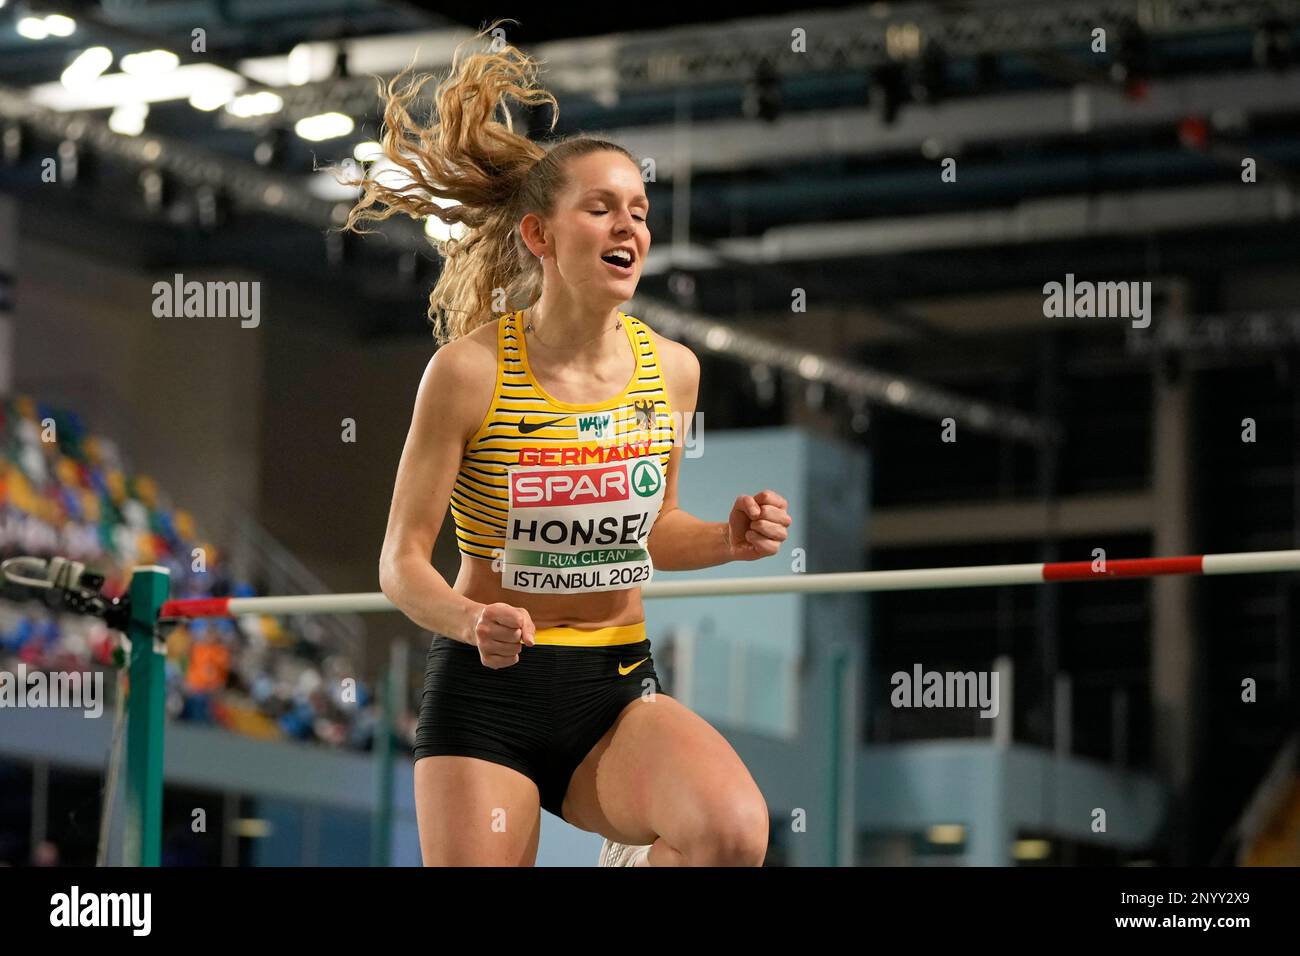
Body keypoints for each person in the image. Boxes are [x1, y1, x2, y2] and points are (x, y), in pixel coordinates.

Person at [350, 20, 792, 866]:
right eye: (600, 208)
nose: (628, 225)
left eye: (639, 210)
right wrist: (475, 616)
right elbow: (400, 565)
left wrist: (726, 541)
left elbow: (652, 532)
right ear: (540, 237)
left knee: (732, 832)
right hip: (490, 696)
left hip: (616, 690)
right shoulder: (468, 372)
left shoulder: (676, 371)